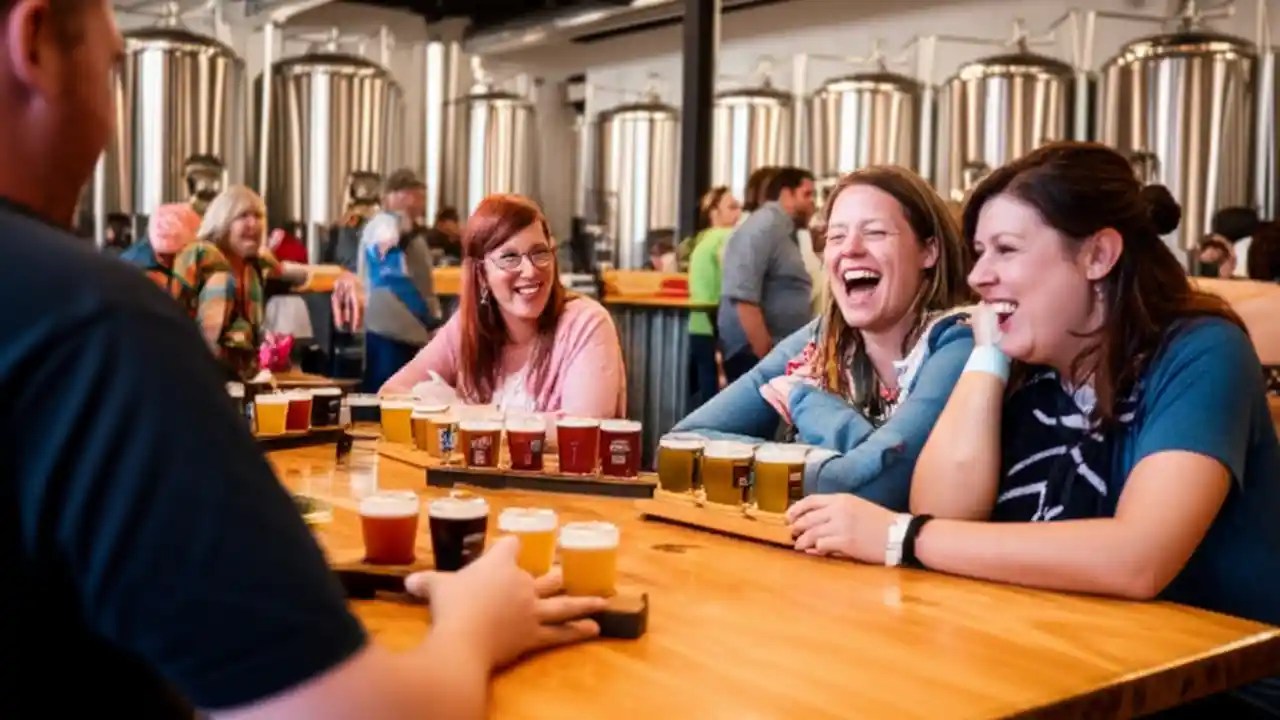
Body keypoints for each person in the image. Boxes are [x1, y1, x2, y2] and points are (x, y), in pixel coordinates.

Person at [0, 2, 609, 718]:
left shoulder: (78, 316)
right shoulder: (98, 325)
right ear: (34, 42)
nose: (113, 118)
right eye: (111, 71)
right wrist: (476, 625)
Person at [785, 142, 1280, 716]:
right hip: (1065, 659)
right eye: (976, 252)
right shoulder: (1034, 362)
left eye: (1005, 250)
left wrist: (899, 537)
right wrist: (988, 360)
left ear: (1098, 255)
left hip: (1214, 689)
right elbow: (943, 507)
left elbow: (1137, 557)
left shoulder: (1199, 353)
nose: (979, 275)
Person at [672, 166, 975, 506]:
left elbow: (877, 487)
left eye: (875, 232)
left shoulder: (956, 342)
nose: (851, 249)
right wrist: (826, 467)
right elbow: (680, 448)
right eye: (835, 236)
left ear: (928, 251)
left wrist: (809, 404)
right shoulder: (820, 339)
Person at [382, 193, 626, 422]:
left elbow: (585, 429)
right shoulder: (466, 327)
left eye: (540, 253)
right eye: (510, 258)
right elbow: (391, 394)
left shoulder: (586, 323)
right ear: (482, 274)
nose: (530, 271)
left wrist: (469, 416)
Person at [195, 185, 365, 378]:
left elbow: (302, 273)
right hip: (201, 376)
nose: (253, 224)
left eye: (258, 216)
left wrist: (346, 278)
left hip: (241, 378)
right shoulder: (201, 260)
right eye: (243, 216)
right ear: (222, 222)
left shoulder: (257, 264)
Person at [717, 166, 818, 382]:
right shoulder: (764, 226)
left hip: (777, 357)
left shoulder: (783, 231)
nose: (813, 203)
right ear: (786, 193)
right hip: (754, 358)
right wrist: (767, 357)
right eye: (807, 194)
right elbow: (744, 298)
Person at [359, 169, 443, 392]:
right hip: (394, 326)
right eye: (420, 196)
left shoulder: (400, 227)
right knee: (390, 396)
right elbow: (392, 274)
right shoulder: (386, 223)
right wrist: (429, 318)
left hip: (401, 327)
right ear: (403, 195)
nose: (422, 203)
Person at [686, 186, 743, 408]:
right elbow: (733, 275)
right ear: (714, 212)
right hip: (718, 324)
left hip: (698, 324)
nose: (738, 213)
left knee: (703, 389)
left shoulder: (700, 240)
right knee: (721, 397)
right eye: (732, 207)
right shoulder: (727, 237)